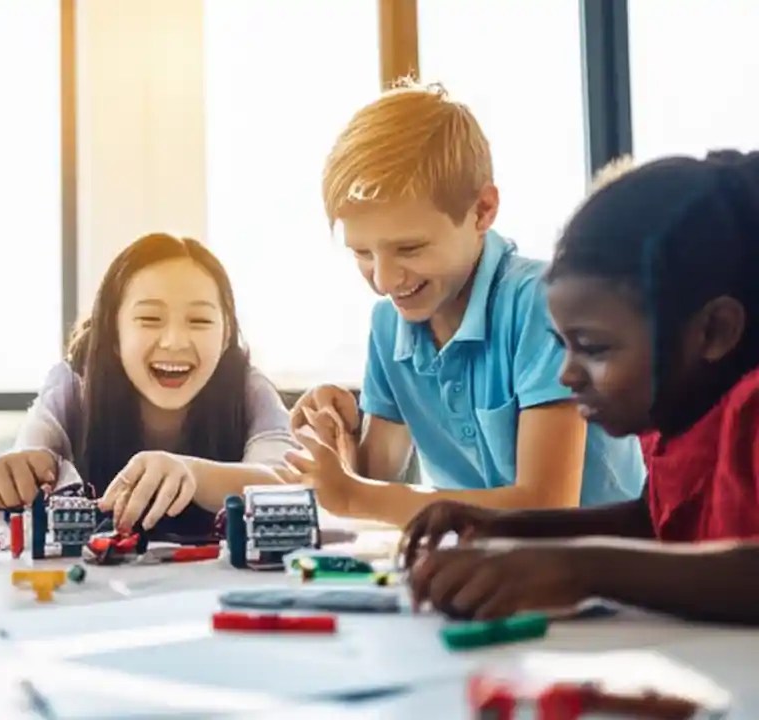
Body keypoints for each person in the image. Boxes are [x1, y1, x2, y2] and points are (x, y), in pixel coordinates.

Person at [402, 150, 759, 625]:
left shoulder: (751, 409)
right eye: (563, 345)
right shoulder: (674, 421)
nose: (568, 374)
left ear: (714, 331)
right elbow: (656, 522)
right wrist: (507, 527)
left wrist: (579, 569)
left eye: (594, 348)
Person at [284, 81, 645, 527]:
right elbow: (376, 477)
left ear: (482, 211)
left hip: (601, 556)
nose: (383, 279)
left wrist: (357, 496)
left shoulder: (540, 304)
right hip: (483, 557)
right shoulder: (390, 323)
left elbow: (548, 505)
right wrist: (338, 435)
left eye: (410, 248)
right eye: (362, 252)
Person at [0, 233, 300, 537]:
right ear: (113, 333)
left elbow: (286, 483)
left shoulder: (249, 390)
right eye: (149, 319)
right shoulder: (73, 387)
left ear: (226, 335)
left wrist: (192, 473)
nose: (174, 342)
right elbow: (29, 457)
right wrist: (7, 478)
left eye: (200, 321)